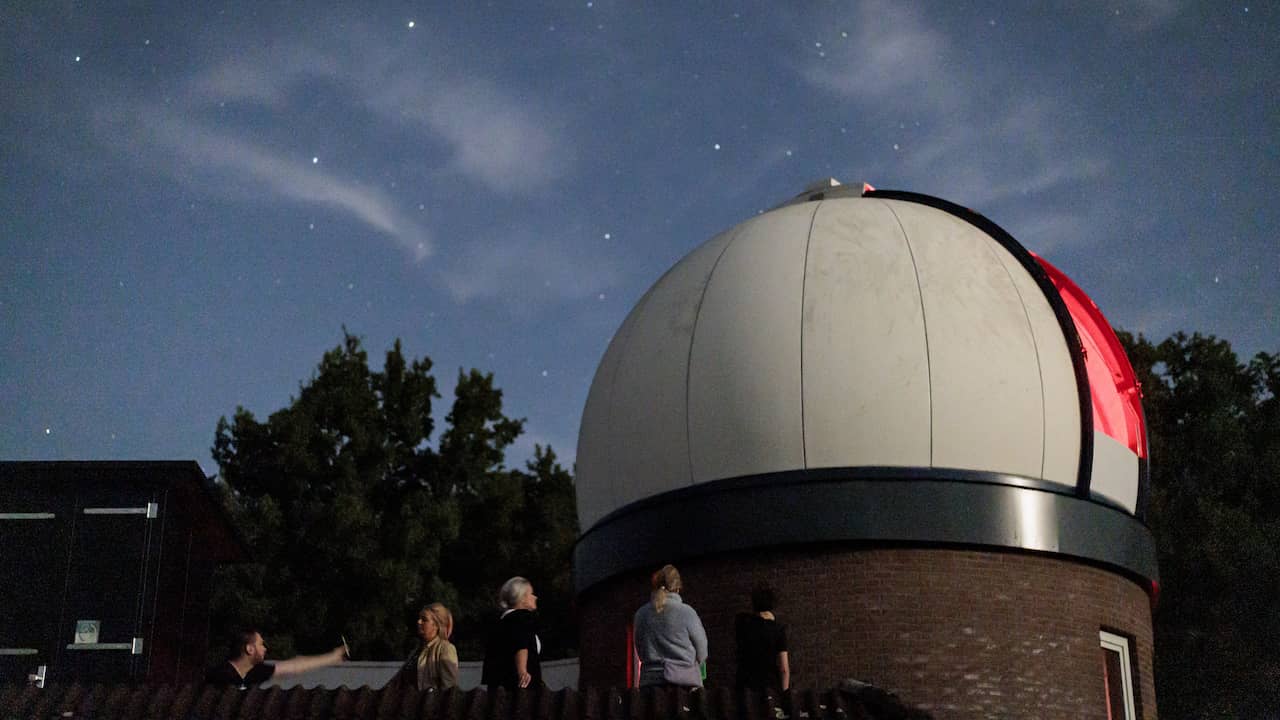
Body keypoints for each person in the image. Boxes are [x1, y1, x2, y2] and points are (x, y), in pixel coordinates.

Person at [632, 564, 708, 688]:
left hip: (650, 684)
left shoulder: (641, 614)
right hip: (684, 684)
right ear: (678, 588)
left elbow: (640, 649)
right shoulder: (687, 613)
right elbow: (702, 650)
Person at [204, 627, 347, 688]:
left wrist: (332, 658)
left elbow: (294, 667)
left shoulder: (256, 672)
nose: (265, 648)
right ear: (249, 649)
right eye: (261, 644)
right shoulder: (219, 676)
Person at [480, 576, 542, 690]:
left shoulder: (500, 622)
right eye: (531, 594)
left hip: (499, 688)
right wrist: (522, 671)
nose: (535, 597)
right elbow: (521, 644)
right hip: (520, 687)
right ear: (521, 598)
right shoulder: (521, 617)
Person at [385, 603, 460, 691]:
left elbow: (449, 689)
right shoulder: (417, 649)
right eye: (419, 618)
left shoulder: (445, 649)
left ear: (436, 625)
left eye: (424, 619)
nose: (419, 622)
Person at [735, 582, 790, 692]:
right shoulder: (778, 629)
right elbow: (784, 668)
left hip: (746, 684)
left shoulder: (742, 623)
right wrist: (785, 693)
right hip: (769, 685)